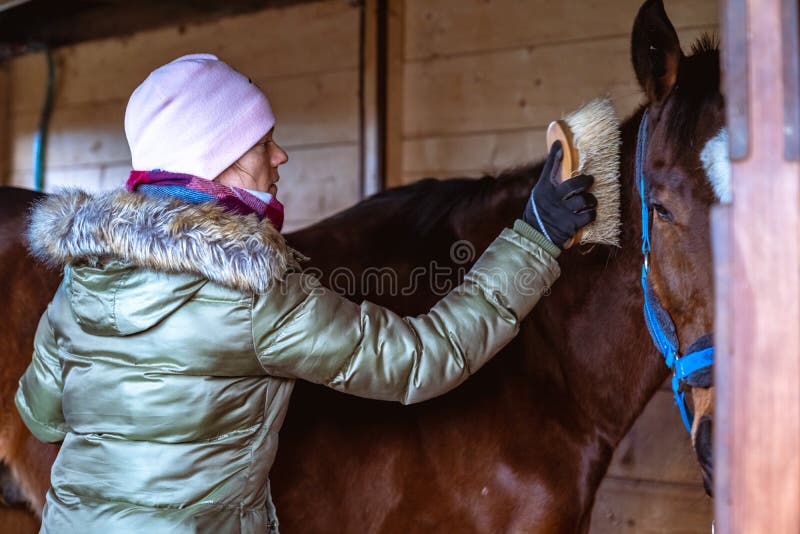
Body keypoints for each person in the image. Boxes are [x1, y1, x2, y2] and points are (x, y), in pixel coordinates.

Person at [16, 54, 597, 533]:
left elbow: (41, 416)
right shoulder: (255, 296)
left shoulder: (82, 278)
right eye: (261, 142)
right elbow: (425, 356)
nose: (280, 156)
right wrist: (535, 238)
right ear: (213, 165)